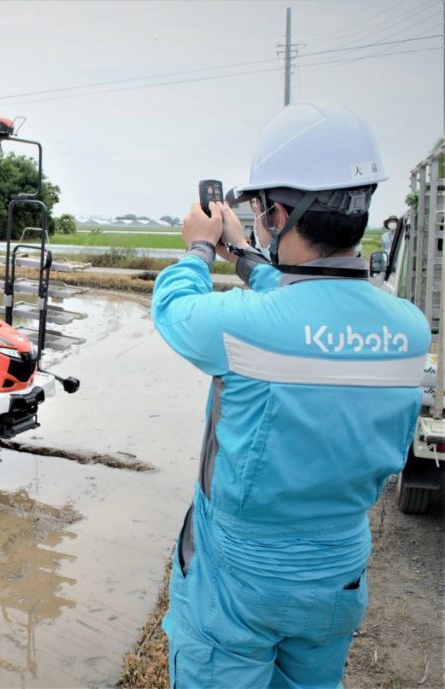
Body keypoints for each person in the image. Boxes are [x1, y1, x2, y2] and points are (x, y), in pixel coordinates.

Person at [152, 100, 430, 689]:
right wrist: (244, 256)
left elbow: (175, 308)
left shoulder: (247, 326)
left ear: (278, 214)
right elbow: (313, 301)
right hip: (337, 571)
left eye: (259, 210)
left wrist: (200, 248)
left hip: (240, 573)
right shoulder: (409, 330)